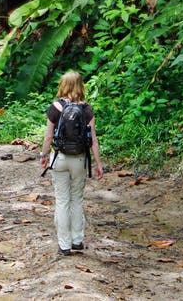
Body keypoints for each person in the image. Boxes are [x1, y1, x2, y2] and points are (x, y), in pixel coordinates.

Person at [39, 70, 104, 255]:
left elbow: (48, 136)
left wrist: (44, 155)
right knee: (77, 199)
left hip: (59, 158)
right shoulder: (86, 110)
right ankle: (77, 240)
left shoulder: (55, 108)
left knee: (62, 201)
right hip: (80, 160)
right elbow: (93, 140)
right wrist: (98, 164)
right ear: (81, 86)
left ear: (63, 85)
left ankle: (64, 245)